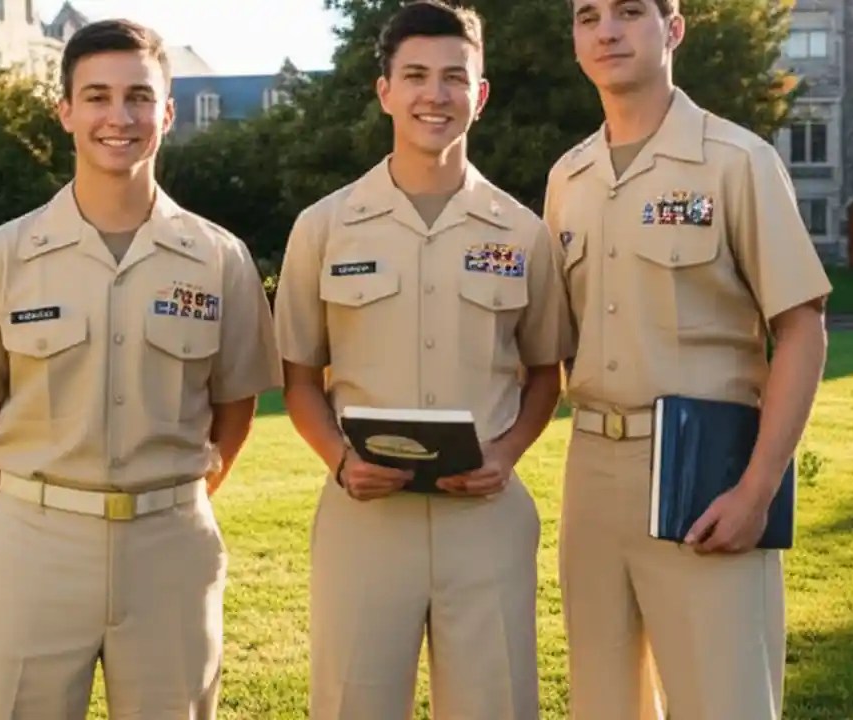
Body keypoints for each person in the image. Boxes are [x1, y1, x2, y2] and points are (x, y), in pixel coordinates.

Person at [0, 18, 281, 719]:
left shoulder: (221, 259)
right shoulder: (3, 256)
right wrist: (45, 498)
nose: (118, 117)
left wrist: (174, 498)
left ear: (168, 111)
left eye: (138, 96)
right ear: (64, 110)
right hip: (34, 546)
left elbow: (234, 410)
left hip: (171, 548)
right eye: (96, 96)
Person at [272, 2, 573, 717]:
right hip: (364, 518)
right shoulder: (323, 228)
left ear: (481, 94)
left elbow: (543, 375)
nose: (433, 95)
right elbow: (297, 379)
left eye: (453, 77)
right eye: (414, 76)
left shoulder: (524, 234)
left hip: (487, 518)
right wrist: (339, 461)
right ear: (384, 92)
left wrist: (509, 451)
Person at [543, 1, 833, 718]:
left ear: (672, 29)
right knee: (603, 703)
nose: (606, 30)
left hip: (706, 474)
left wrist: (757, 491)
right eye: (588, 16)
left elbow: (802, 328)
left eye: (630, 11)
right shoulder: (567, 179)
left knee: (724, 700)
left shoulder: (739, 161)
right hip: (592, 475)